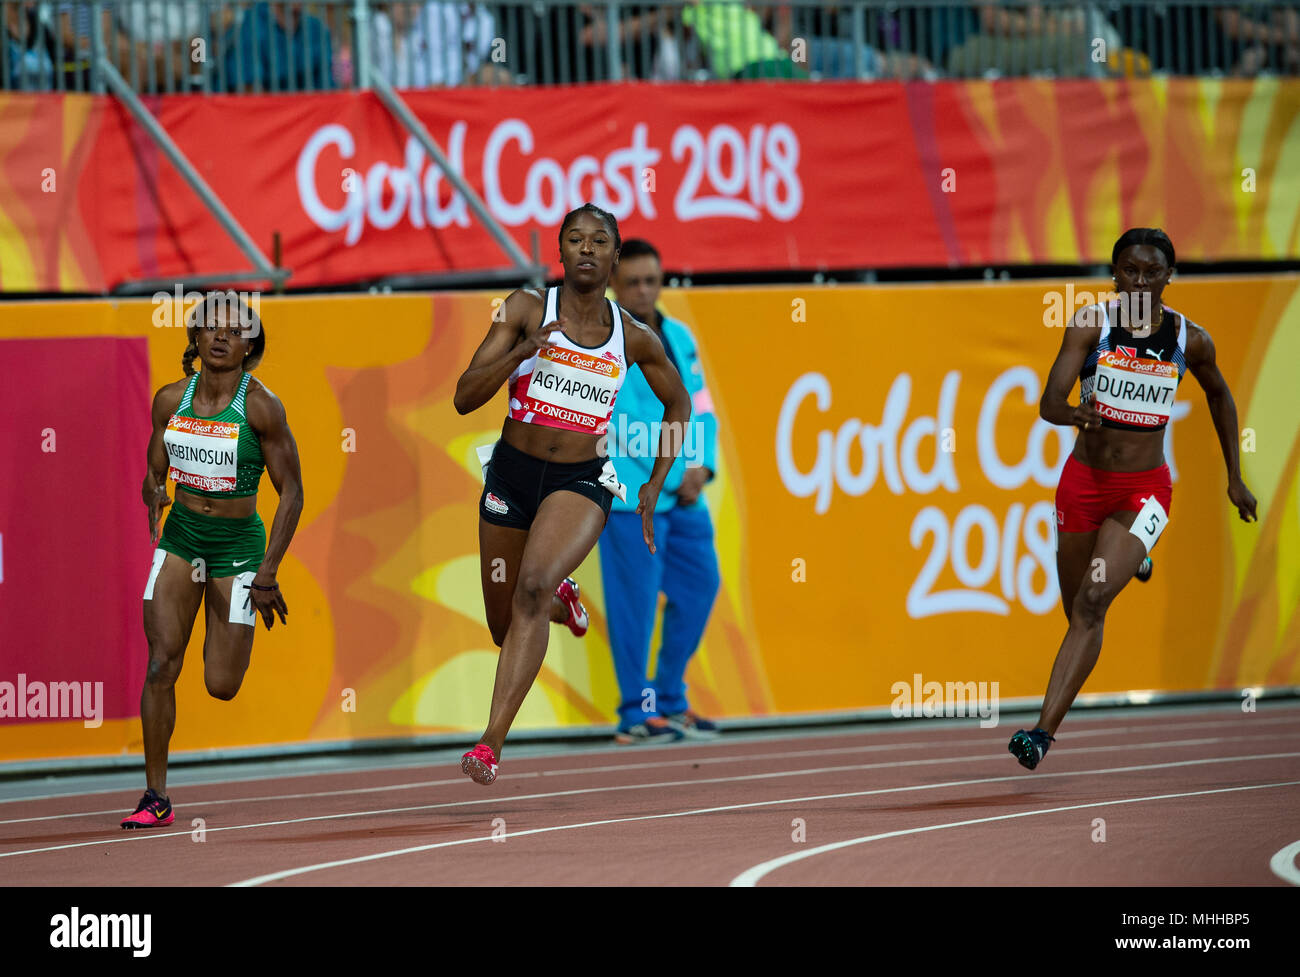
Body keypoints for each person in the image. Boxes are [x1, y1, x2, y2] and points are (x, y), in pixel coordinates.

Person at [454, 204, 691, 785]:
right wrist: (522, 350)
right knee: (504, 624)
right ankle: (562, 599)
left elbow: (678, 403)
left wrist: (657, 480)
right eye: (576, 240)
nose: (587, 249)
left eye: (600, 241)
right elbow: (463, 396)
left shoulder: (635, 337)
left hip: (579, 482)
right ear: (559, 252)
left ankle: (489, 745)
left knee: (528, 589)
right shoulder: (525, 308)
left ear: (613, 255)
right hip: (510, 476)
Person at [1009, 228, 1258, 770]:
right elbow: (1050, 399)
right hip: (1083, 485)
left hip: (1143, 491)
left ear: (1169, 276)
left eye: (1152, 272)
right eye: (1130, 271)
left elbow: (1220, 396)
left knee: (1094, 603)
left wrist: (1235, 477)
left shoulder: (1191, 340)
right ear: (1114, 273)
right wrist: (1072, 412)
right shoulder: (1089, 325)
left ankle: (1041, 734)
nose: (1140, 281)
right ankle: (1135, 554)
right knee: (1075, 609)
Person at [124, 292, 303, 827]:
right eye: (211, 327)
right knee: (160, 663)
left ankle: (225, 629)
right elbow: (153, 474)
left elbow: (291, 492)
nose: (222, 336)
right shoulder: (168, 400)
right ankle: (155, 795)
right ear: (195, 339)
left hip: (237, 549)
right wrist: (153, 493)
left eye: (234, 329)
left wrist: (267, 571)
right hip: (181, 540)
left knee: (221, 685)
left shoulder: (262, 407)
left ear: (251, 344)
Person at [601, 239, 721, 744]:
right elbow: (618, 425)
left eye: (652, 280)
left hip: (684, 496)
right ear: (612, 284)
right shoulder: (602, 345)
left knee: (700, 588)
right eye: (633, 282)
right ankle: (636, 711)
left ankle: (670, 699)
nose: (645, 290)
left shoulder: (679, 336)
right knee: (635, 606)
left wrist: (704, 468)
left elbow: (703, 407)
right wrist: (675, 474)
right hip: (633, 499)